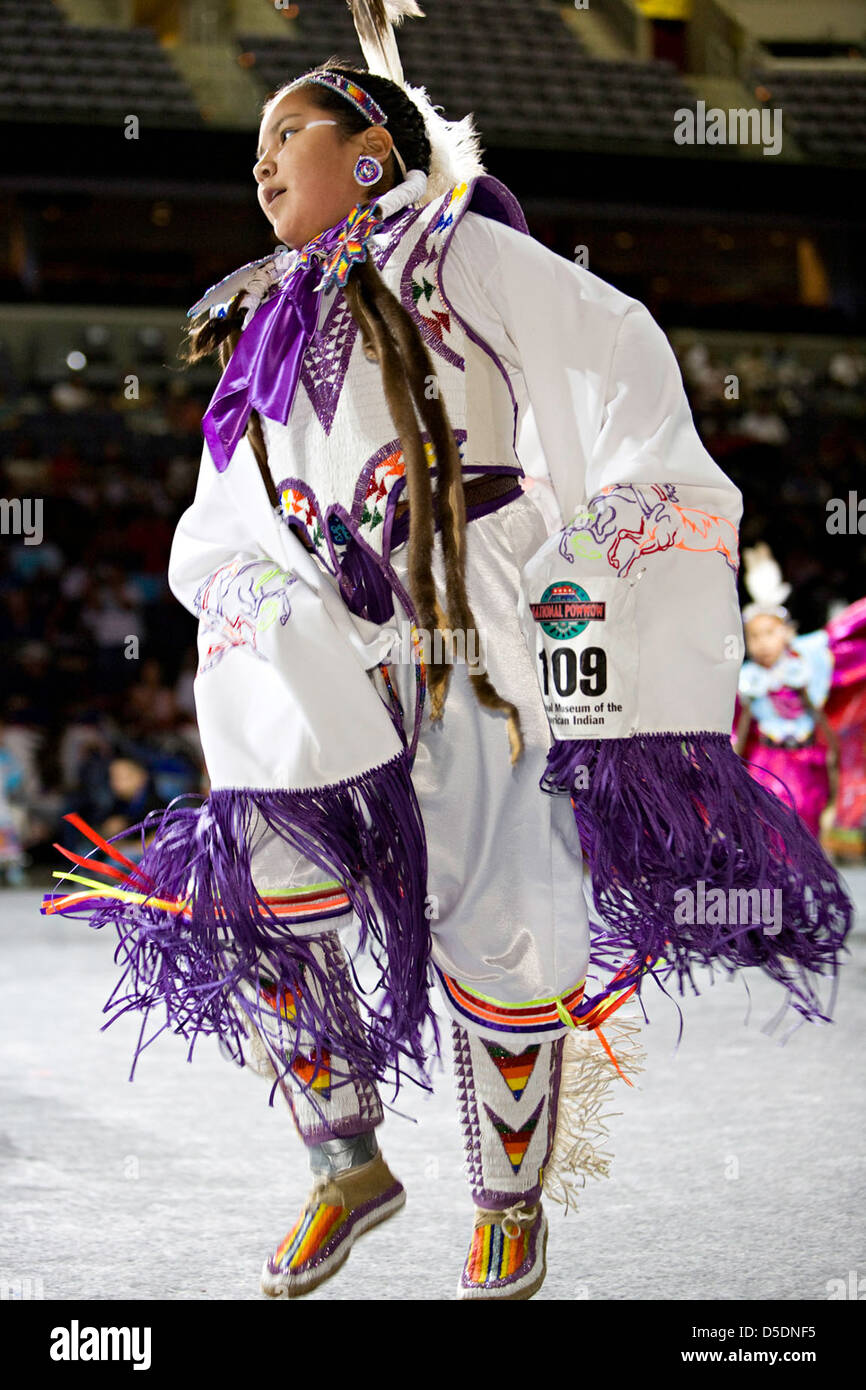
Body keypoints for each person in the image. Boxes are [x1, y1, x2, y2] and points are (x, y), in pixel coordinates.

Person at [44, 3, 853, 1301]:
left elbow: (615, 360)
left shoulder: (459, 259)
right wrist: (267, 584)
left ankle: (510, 1205)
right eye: (251, 146)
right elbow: (213, 528)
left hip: (478, 621)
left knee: (503, 909)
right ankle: (344, 1157)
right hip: (328, 636)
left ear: (369, 157)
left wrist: (578, 554)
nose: (257, 164)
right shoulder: (256, 337)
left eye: (287, 133)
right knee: (257, 879)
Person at [736, 542, 866, 854]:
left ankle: (797, 881)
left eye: (769, 633)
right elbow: (738, 731)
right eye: (754, 636)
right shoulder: (748, 680)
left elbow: (843, 636)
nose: (762, 643)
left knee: (805, 819)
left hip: (807, 760)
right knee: (767, 818)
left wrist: (804, 688)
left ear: (786, 632)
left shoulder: (807, 663)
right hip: (767, 760)